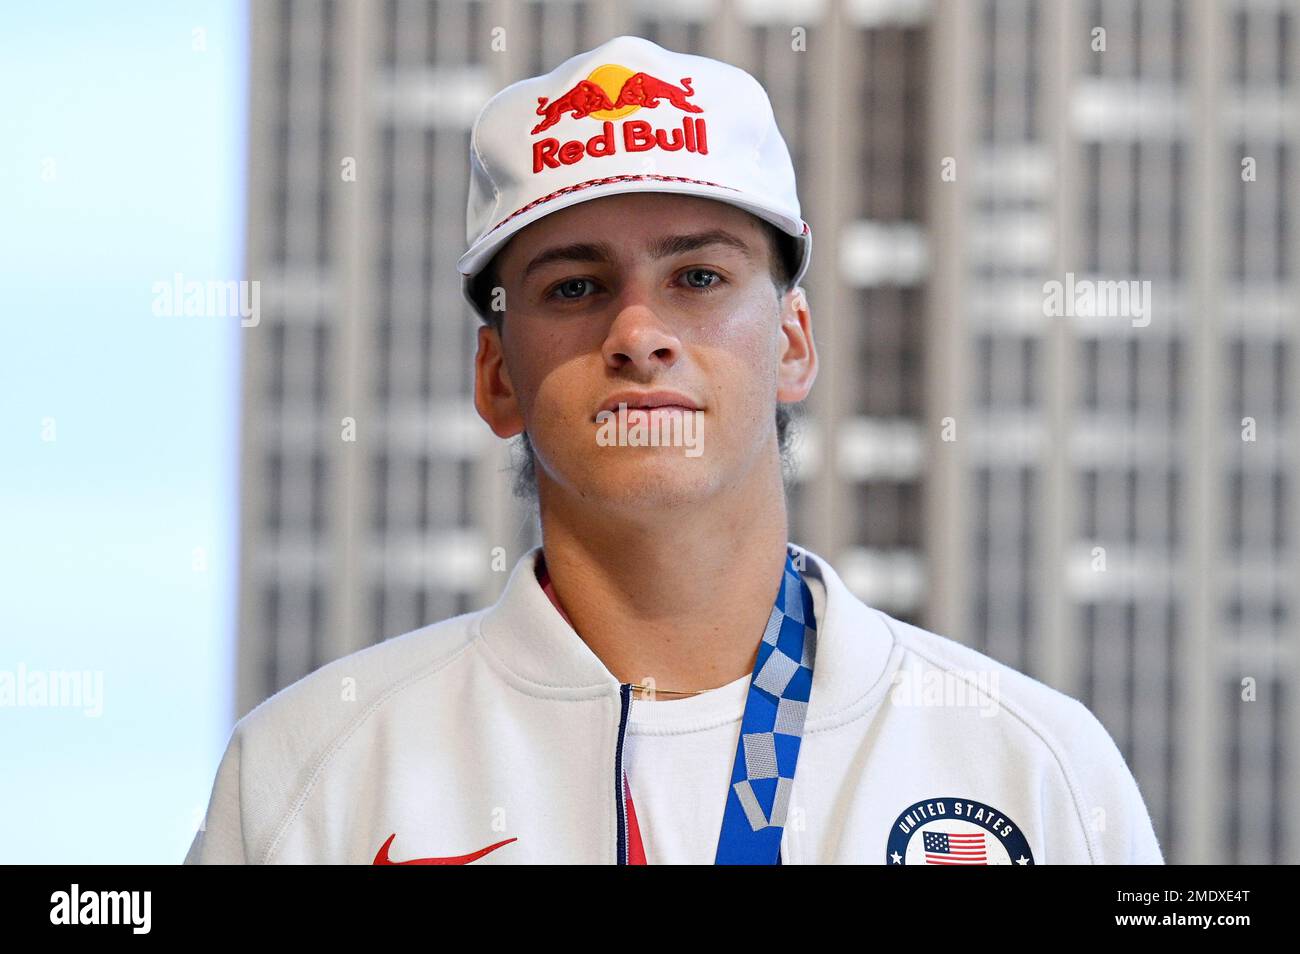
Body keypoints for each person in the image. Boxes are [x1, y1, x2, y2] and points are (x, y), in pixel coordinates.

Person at [185, 34, 1164, 865]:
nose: (638, 331)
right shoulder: (309, 770)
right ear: (495, 377)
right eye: (574, 287)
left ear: (792, 343)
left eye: (697, 276)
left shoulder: (1029, 764)